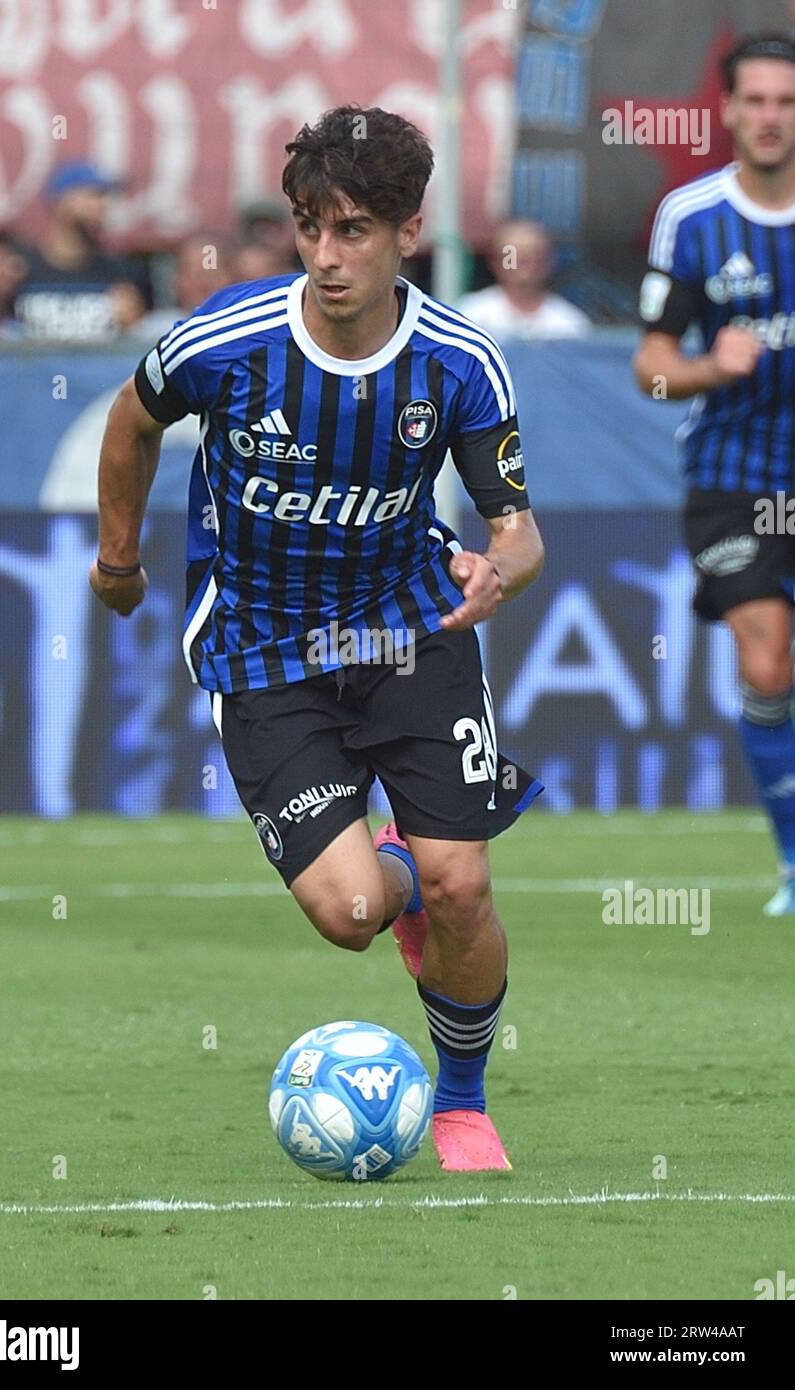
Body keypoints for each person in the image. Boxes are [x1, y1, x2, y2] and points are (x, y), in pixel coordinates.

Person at [90, 105, 545, 1171]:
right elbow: (133, 418)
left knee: (465, 885)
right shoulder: (225, 339)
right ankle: (397, 868)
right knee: (350, 914)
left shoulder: (460, 361)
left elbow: (518, 532)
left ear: (407, 232)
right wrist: (119, 560)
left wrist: (499, 572)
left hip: (410, 630)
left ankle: (463, 1102)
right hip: (265, 649)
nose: (328, 256)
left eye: (353, 231)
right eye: (311, 228)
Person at [633, 32, 795, 915]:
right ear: (729, 109)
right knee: (766, 661)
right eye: (757, 101)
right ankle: (792, 862)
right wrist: (708, 367)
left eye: (786, 101)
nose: (771, 118)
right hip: (732, 477)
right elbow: (650, 368)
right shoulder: (692, 217)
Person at [16, 161, 150, 340]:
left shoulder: (122, 273)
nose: (103, 205)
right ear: (62, 200)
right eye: (94, 195)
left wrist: (133, 325)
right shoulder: (21, 270)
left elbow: (139, 344)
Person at [459, 218, 591, 341]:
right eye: (513, 257)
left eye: (534, 257)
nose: (525, 267)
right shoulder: (471, 315)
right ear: (495, 262)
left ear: (549, 260)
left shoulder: (570, 323)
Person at [133, 231, 238, 341]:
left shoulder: (249, 329)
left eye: (212, 275)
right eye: (193, 275)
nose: (202, 284)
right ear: (175, 281)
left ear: (234, 276)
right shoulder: (149, 332)